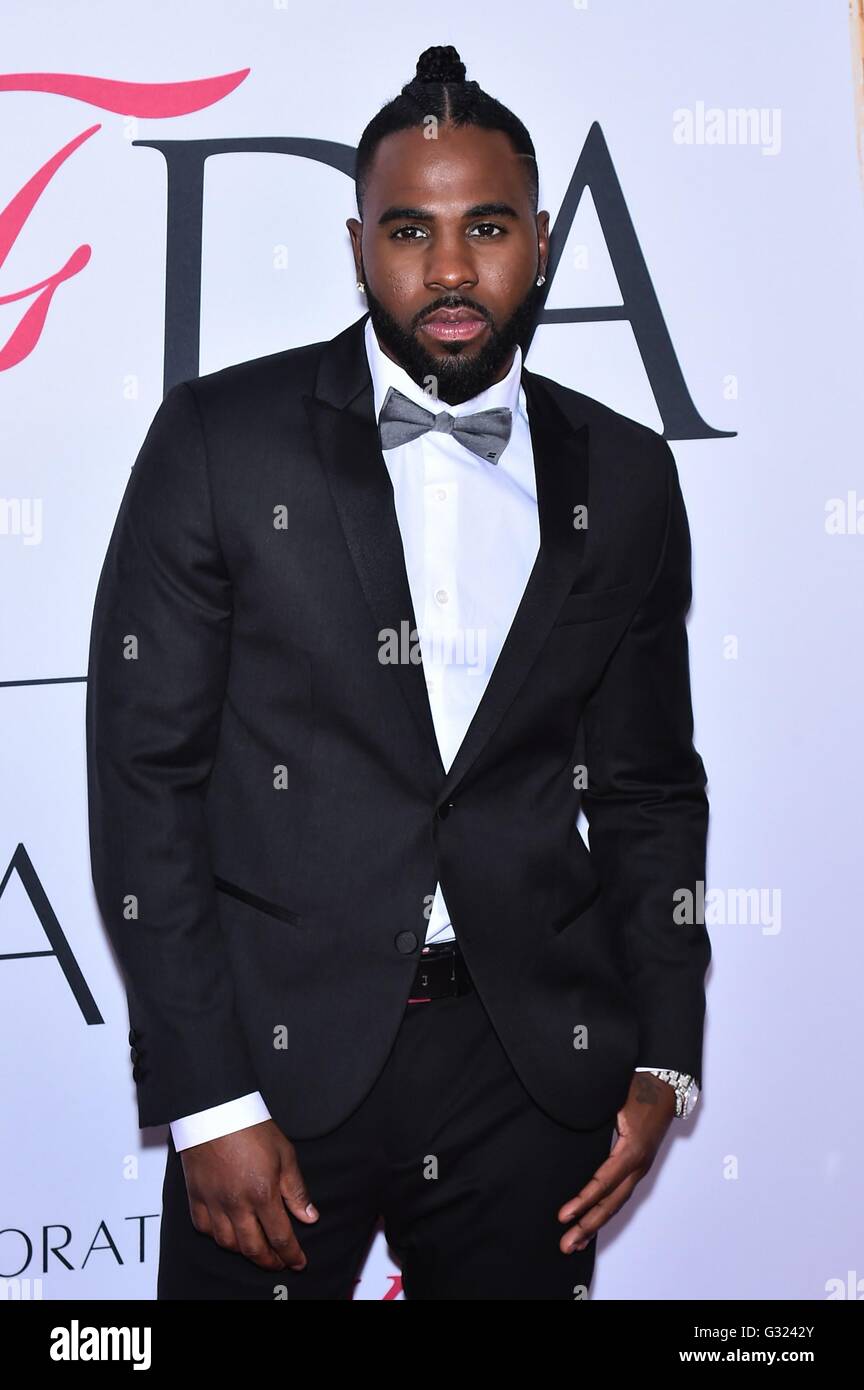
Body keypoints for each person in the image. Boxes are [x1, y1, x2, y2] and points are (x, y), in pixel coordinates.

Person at [85, 44, 710, 1301]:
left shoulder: (627, 475)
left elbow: (647, 788)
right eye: (408, 230)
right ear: (358, 246)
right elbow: (144, 777)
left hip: (527, 1071)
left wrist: (664, 1056)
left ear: (541, 242)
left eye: (485, 227)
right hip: (274, 1065)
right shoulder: (220, 440)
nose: (449, 269)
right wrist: (206, 1100)